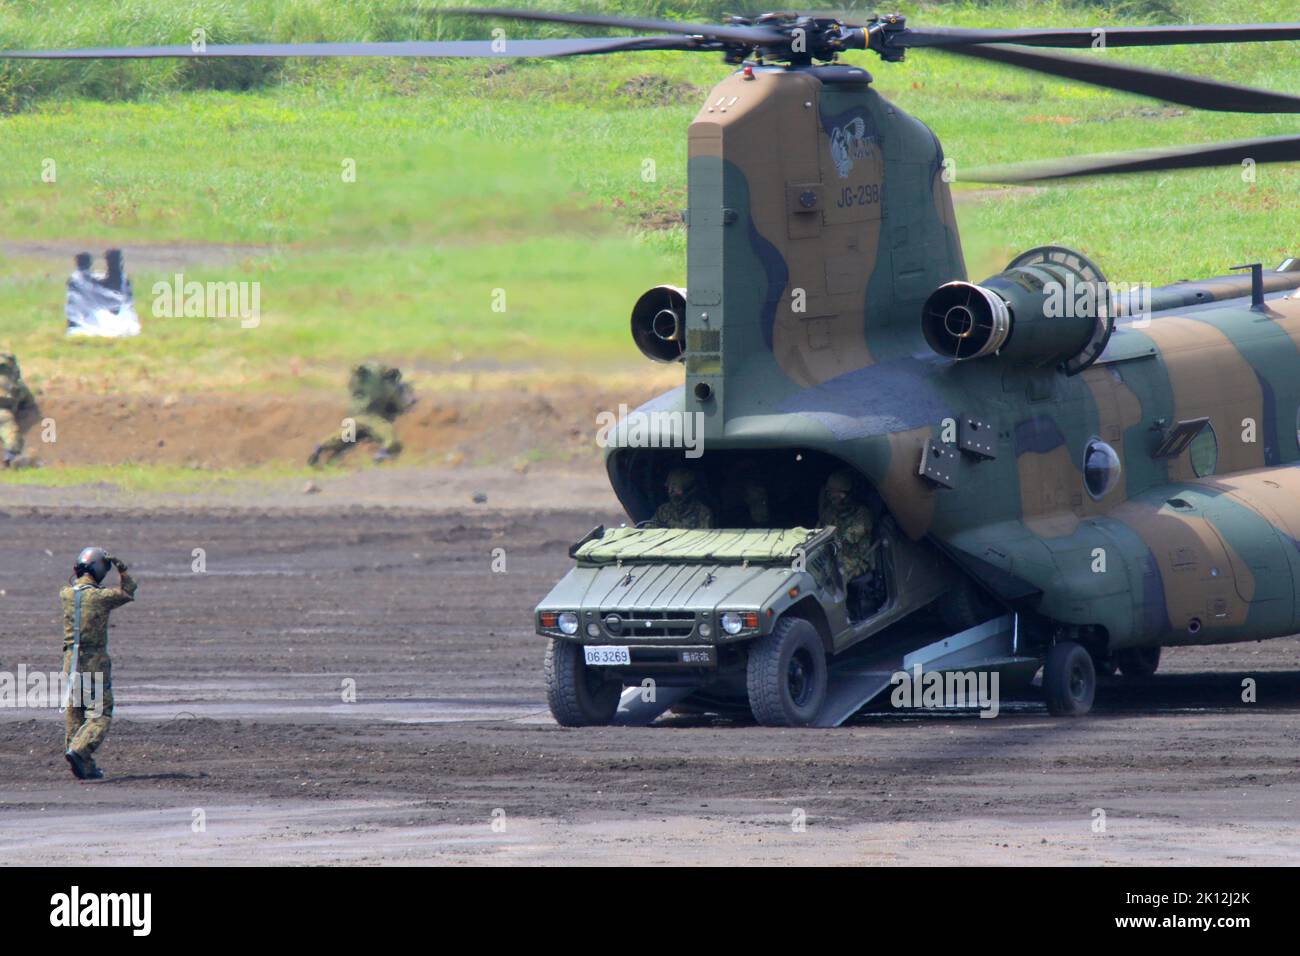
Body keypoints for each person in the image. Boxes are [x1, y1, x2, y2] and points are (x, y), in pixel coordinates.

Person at [60, 547, 137, 780]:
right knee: (100, 713)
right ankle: (79, 750)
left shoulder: (65, 594)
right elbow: (128, 592)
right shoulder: (100, 597)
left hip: (71, 661)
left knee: (76, 711)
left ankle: (82, 762)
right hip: (93, 663)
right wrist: (121, 568)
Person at [309, 362, 416, 466]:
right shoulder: (384, 384)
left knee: (342, 438)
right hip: (372, 418)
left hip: (353, 418)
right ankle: (382, 455)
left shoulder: (356, 382)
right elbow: (400, 404)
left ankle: (320, 448)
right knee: (391, 439)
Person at [819, 468, 883, 619]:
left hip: (857, 559)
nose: (831, 496)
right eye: (829, 493)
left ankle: (842, 616)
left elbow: (850, 536)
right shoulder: (830, 511)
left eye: (834, 493)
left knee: (837, 576)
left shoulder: (862, 513)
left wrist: (833, 542)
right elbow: (819, 531)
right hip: (833, 555)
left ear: (844, 493)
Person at [0, 351, 36, 468]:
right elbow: (28, 401)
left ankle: (10, 458)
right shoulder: (15, 385)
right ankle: (10, 458)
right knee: (11, 435)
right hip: (4, 412)